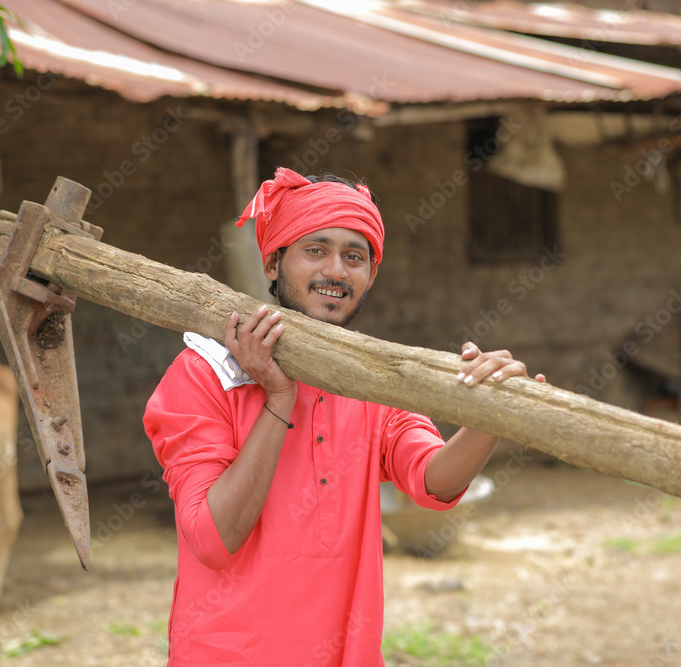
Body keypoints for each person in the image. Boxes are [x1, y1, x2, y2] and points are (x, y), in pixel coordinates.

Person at [143, 167, 545, 666]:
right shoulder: (202, 374)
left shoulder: (373, 380)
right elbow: (213, 541)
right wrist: (277, 397)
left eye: (354, 257)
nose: (336, 270)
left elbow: (433, 484)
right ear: (272, 262)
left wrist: (490, 417)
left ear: (370, 275)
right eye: (315, 250)